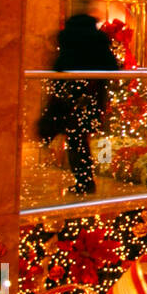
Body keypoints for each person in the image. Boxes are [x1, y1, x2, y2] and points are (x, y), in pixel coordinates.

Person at [39, 13, 118, 194]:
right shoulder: (99, 40)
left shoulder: (68, 39)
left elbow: (60, 66)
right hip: (92, 97)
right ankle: (85, 180)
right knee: (79, 139)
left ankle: (84, 180)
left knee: (75, 139)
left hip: (70, 97)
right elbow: (111, 67)